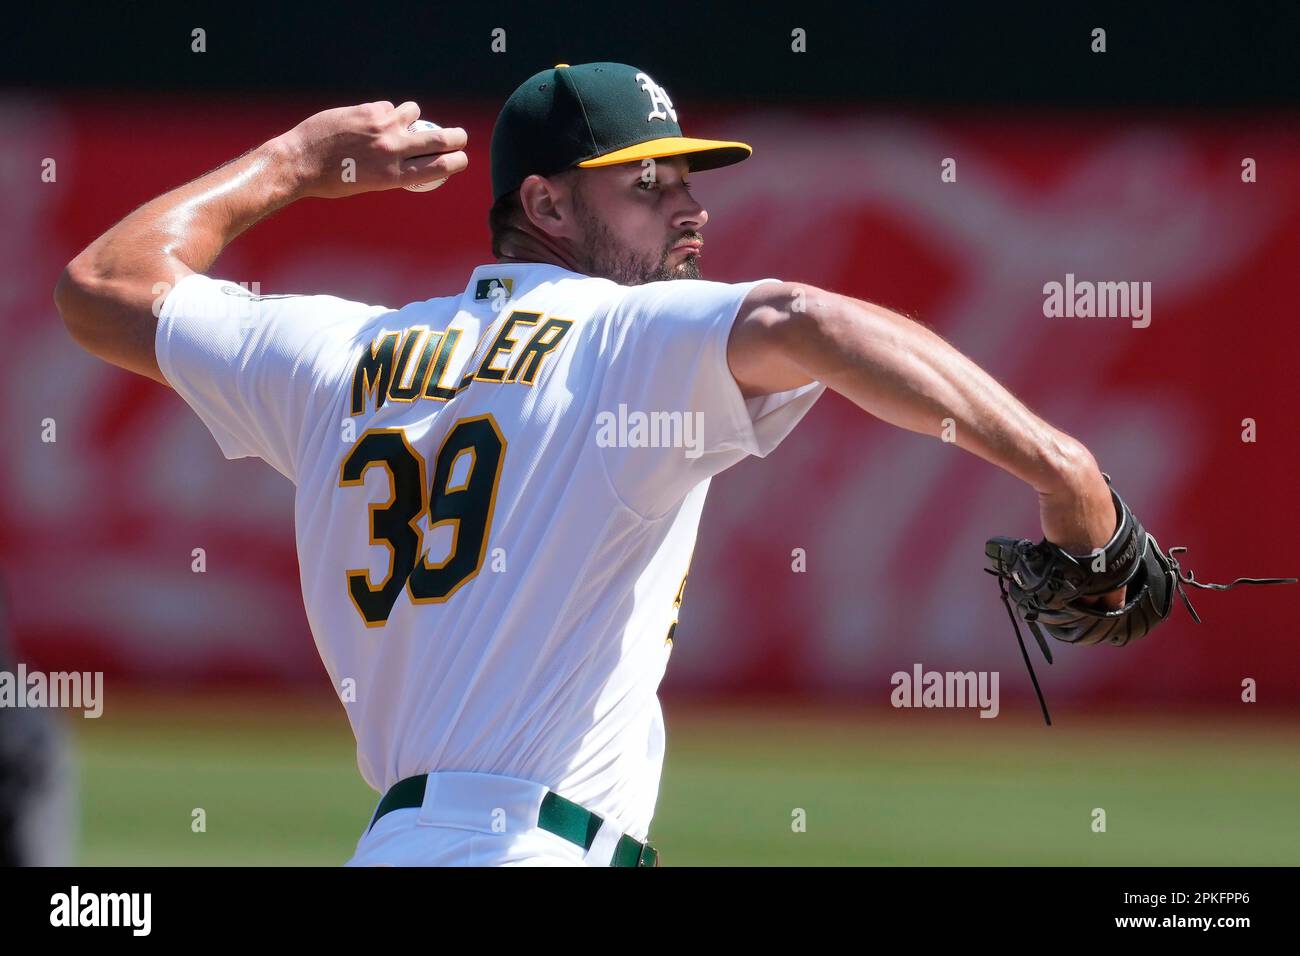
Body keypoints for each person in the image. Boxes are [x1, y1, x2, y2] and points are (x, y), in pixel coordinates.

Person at [54, 62, 1121, 866]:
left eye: (686, 180)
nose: (689, 208)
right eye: (646, 184)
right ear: (547, 206)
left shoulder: (340, 351)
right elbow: (805, 318)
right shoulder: (622, 340)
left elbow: (104, 285)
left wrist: (291, 161)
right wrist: (1063, 469)